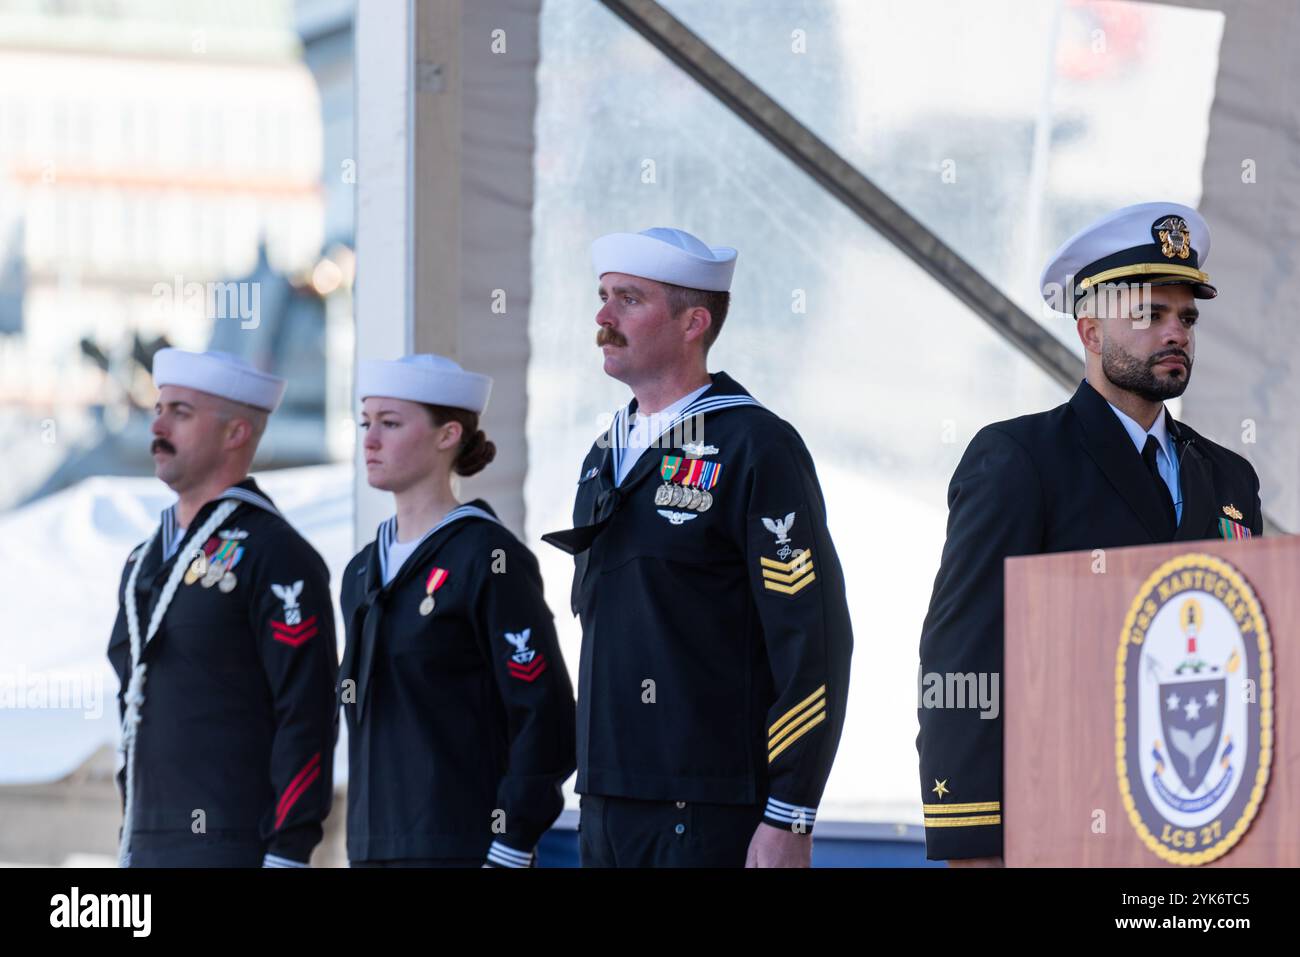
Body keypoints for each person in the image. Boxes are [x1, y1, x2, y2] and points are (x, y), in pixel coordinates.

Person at [916, 202, 1264, 864]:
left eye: (1186, 317)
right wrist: (972, 839)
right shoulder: (1020, 459)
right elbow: (961, 664)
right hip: (1064, 828)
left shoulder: (1228, 477)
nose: (1176, 332)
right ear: (1090, 329)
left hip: (1206, 832)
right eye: (1149, 314)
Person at [543, 227, 853, 867]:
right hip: (606, 799)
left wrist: (790, 810)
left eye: (628, 299)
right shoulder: (602, 455)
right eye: (603, 296)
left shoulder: (755, 446)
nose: (603, 317)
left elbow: (812, 638)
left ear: (693, 322)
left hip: (708, 808)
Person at [339, 354, 576, 868]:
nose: (370, 440)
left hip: (465, 849)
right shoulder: (361, 572)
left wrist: (511, 845)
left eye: (391, 423)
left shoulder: (487, 557)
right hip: (373, 850)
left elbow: (545, 714)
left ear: (448, 435)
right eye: (366, 423)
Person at [108, 348, 339, 867]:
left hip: (237, 849)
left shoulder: (276, 553)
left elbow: (306, 714)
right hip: (147, 845)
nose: (159, 424)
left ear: (236, 433)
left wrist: (288, 852)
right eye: (158, 408)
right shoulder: (143, 559)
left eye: (181, 412)